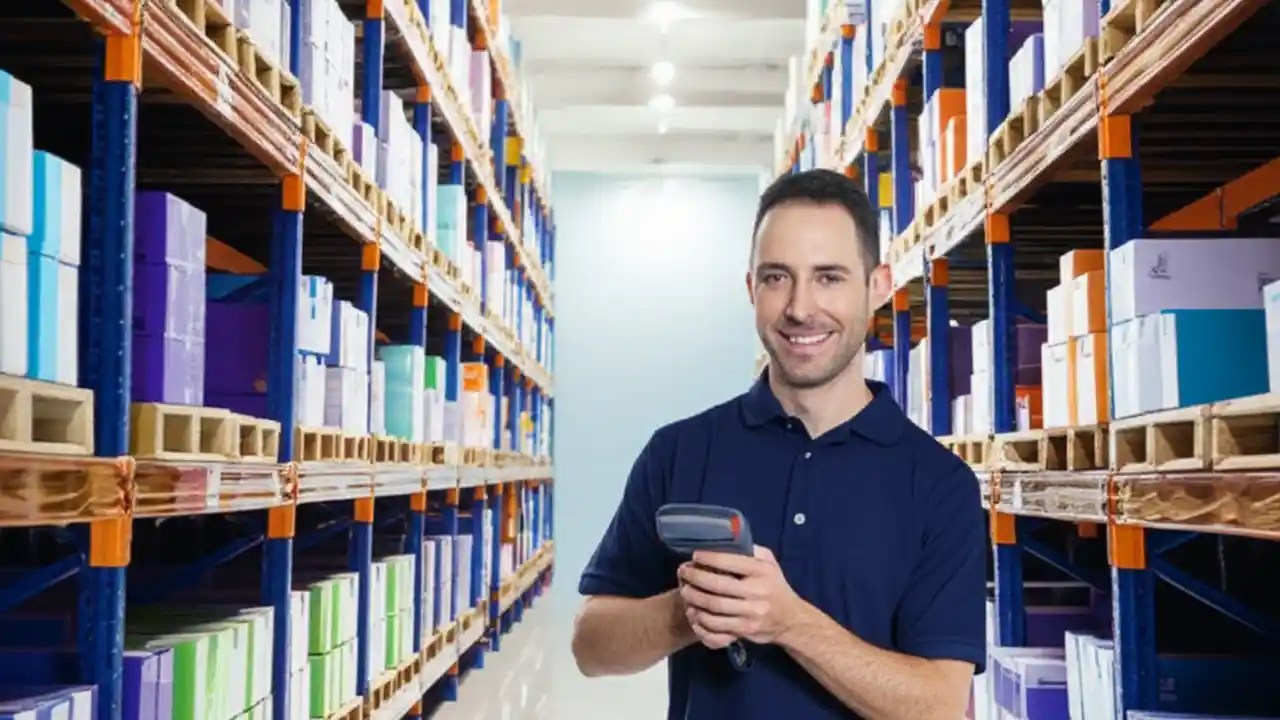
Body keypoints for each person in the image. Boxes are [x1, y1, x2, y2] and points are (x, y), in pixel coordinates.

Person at [570, 168, 986, 719]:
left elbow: (940, 707)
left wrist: (788, 621)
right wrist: (686, 610)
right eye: (776, 278)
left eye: (829, 277)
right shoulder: (679, 452)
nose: (800, 307)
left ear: (879, 286)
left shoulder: (939, 485)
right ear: (751, 288)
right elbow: (591, 647)